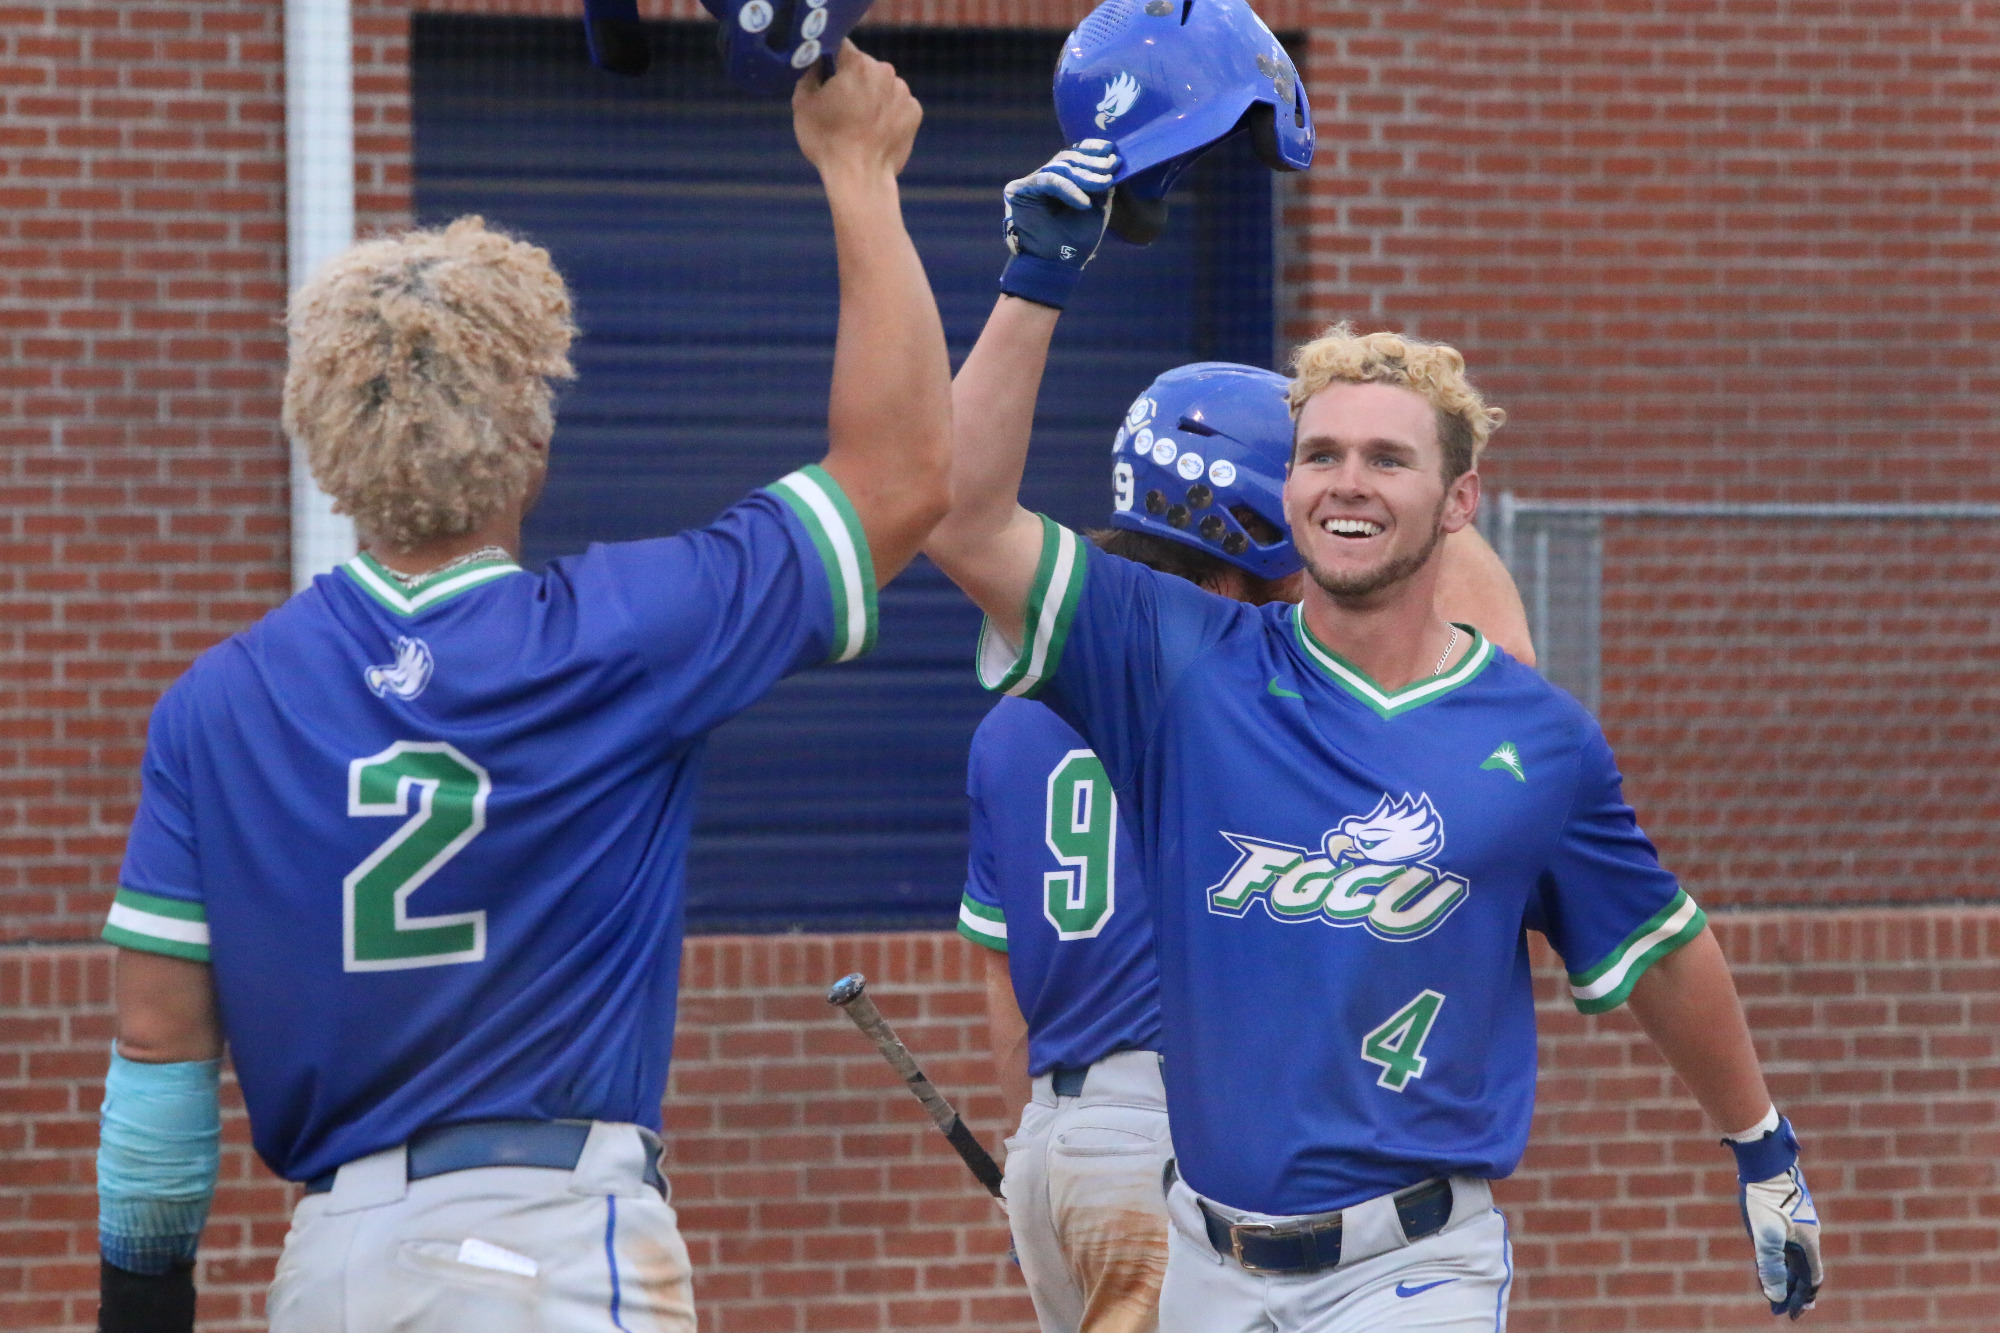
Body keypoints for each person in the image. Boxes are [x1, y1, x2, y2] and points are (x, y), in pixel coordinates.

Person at [93, 45, 949, 1333]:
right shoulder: (623, 632)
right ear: (531, 439)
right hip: (552, 1245)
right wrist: (858, 170)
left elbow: (158, 1064)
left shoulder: (216, 705)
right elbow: (897, 478)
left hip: (330, 1265)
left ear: (326, 442)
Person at [927, 143, 1825, 1332]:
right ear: (1286, 489)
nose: (1345, 482)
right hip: (1198, 1260)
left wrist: (1759, 1145)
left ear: (1457, 503)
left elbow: (1658, 950)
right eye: (1319, 454)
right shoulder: (1181, 662)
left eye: (1387, 458)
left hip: (1410, 1268)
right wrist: (1035, 278)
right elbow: (960, 516)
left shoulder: (1533, 739)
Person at [961, 349, 1535, 1333]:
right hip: (1183, 1134)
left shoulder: (1014, 713)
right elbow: (1502, 690)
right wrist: (1421, 482)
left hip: (1056, 1147)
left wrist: (1082, 1129)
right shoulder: (1243, 699)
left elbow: (998, 985)